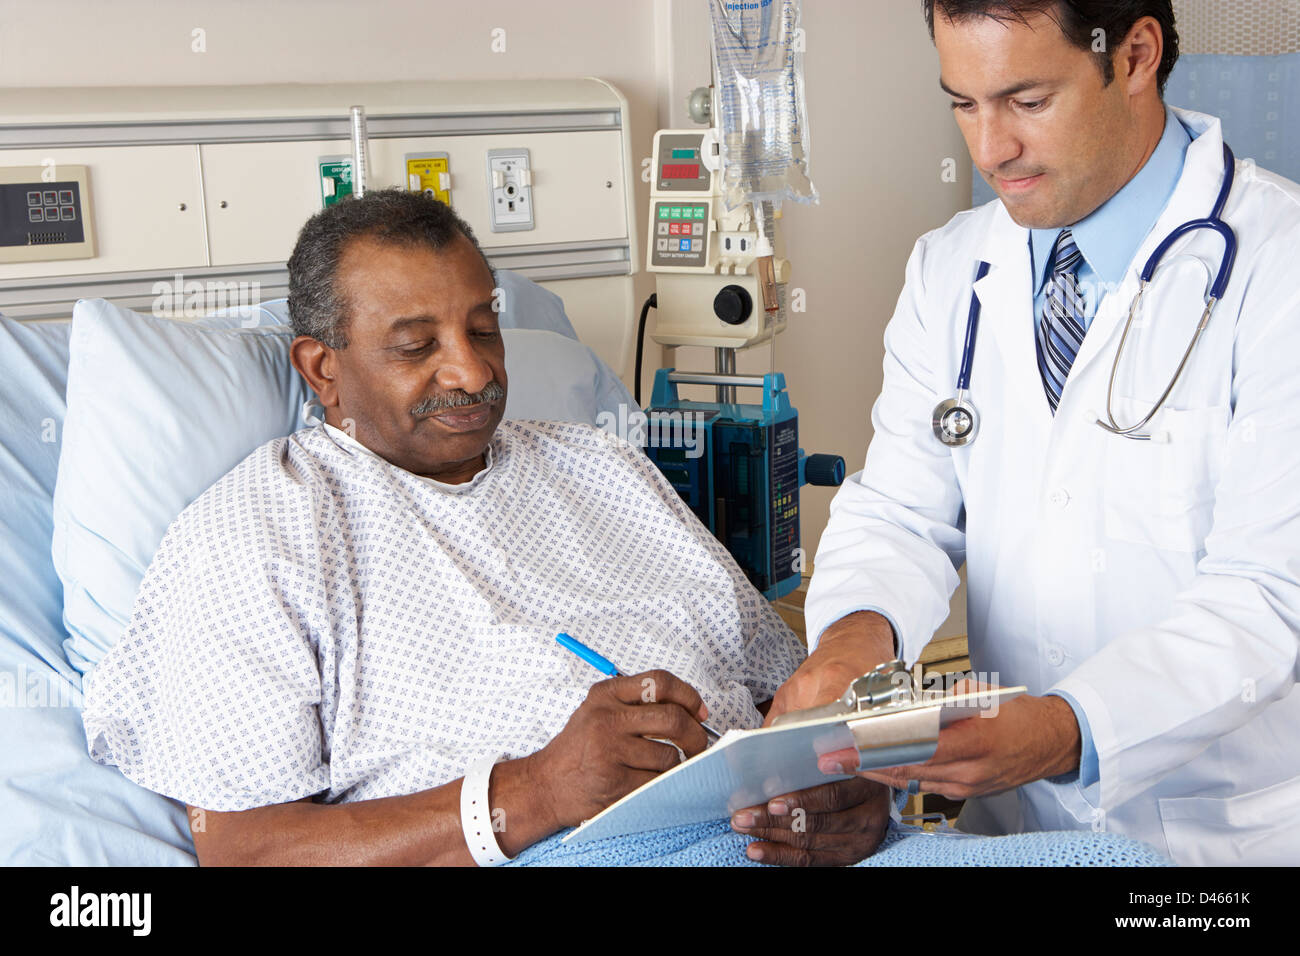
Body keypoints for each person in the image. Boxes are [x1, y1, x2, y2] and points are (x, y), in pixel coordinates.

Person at [80, 189, 889, 866]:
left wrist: (852, 790)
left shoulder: (605, 466)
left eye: (483, 329)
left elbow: (790, 696)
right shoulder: (260, 533)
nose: (471, 372)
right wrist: (533, 791)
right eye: (415, 346)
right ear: (322, 369)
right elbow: (245, 847)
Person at [775, 0, 1300, 865]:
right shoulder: (951, 266)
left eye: (1026, 101)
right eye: (963, 103)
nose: (989, 152)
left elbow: (1269, 594)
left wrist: (1067, 730)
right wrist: (853, 638)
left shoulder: (1276, 267)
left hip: (1223, 843)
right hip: (1006, 837)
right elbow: (904, 512)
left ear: (1134, 53)